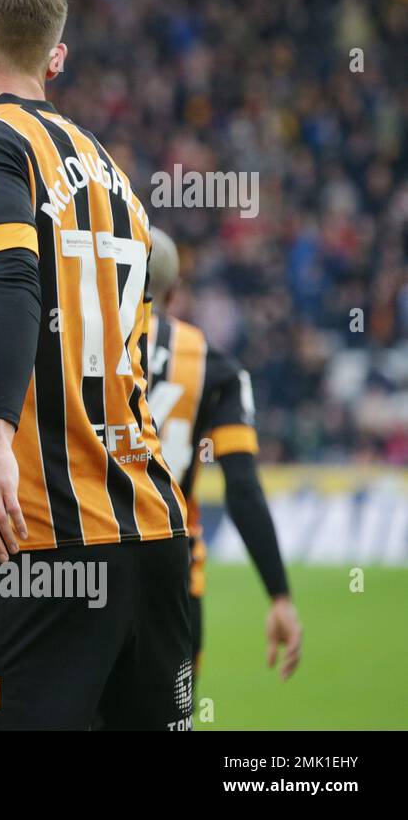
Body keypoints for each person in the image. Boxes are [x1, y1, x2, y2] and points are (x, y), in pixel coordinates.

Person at [0, 0, 190, 730]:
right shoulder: (116, 177)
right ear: (57, 57)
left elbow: (11, 279)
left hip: (36, 534)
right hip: (150, 534)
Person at [144, 227, 301, 685]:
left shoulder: (82, 345)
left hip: (90, 570)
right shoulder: (218, 367)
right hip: (174, 577)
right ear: (173, 292)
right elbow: (244, 490)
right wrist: (280, 596)